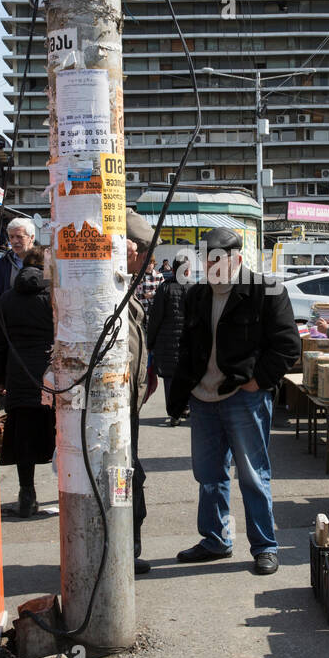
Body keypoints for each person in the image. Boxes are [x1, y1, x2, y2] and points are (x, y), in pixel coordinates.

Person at [170, 228, 301, 575]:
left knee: (253, 475)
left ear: (237, 259)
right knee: (209, 475)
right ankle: (215, 539)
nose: (212, 267)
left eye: (219, 260)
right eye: (207, 260)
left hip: (244, 398)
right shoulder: (196, 295)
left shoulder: (266, 291)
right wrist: (183, 390)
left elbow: (288, 347)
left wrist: (257, 382)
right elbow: (188, 345)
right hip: (203, 398)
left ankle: (264, 546)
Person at [0, 246, 55, 519]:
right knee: (61, 435)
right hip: (51, 374)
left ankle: (26, 494)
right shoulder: (54, 297)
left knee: (25, 436)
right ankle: (69, 490)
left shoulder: (6, 299)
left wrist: (1, 379)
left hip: (19, 376)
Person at [125, 210, 159, 574]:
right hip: (115, 408)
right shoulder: (111, 289)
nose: (148, 261)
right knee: (128, 474)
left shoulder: (127, 286)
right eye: (143, 252)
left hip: (128, 405)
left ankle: (129, 547)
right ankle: (126, 549)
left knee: (133, 473)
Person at [146, 256, 188, 427]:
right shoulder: (193, 288)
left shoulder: (165, 288)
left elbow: (155, 318)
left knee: (170, 379)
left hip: (167, 342)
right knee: (186, 376)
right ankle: (185, 407)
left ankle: (174, 413)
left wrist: (150, 342)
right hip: (187, 341)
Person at [0, 217, 36, 299]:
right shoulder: (2, 263)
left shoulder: (45, 260)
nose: (14, 241)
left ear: (31, 237)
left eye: (19, 237)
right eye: (11, 237)